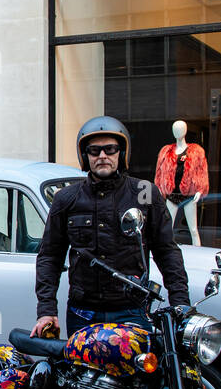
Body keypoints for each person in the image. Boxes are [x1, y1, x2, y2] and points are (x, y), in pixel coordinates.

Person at [33, 116, 190, 339]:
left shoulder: (145, 193)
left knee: (139, 373)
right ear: (85, 156)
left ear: (122, 153)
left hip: (132, 311)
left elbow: (167, 251)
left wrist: (180, 303)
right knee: (81, 373)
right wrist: (46, 311)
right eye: (95, 151)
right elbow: (50, 256)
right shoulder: (66, 198)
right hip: (83, 312)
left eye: (110, 149)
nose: (103, 156)